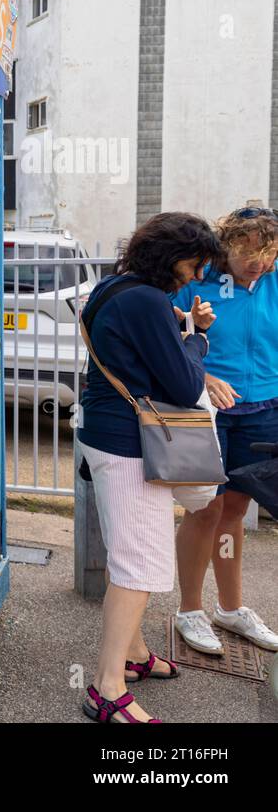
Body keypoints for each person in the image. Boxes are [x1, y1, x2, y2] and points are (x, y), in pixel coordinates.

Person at [76, 212, 223, 723]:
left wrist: (185, 330)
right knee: (137, 567)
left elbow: (134, 358)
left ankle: (134, 655)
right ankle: (106, 686)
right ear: (170, 257)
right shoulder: (149, 302)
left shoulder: (113, 288)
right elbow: (183, 386)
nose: (198, 276)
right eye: (195, 264)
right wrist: (198, 340)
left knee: (126, 554)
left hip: (104, 434)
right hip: (132, 445)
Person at [172, 207, 278, 655]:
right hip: (207, 410)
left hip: (264, 408)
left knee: (235, 511)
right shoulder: (199, 280)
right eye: (248, 252)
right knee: (204, 511)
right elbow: (167, 336)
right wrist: (204, 375)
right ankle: (189, 610)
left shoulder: (274, 280)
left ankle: (230, 609)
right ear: (228, 245)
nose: (258, 263)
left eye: (269, 254)